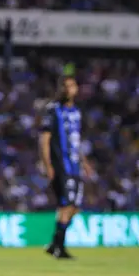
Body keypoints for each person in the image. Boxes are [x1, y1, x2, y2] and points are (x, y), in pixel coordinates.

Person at [39, 75, 92, 259]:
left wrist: (84, 162)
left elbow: (75, 141)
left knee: (74, 207)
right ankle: (59, 247)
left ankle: (55, 244)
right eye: (67, 86)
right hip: (62, 166)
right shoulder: (53, 110)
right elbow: (44, 140)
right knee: (67, 205)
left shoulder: (76, 112)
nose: (70, 89)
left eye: (73, 85)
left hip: (75, 166)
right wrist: (48, 165)